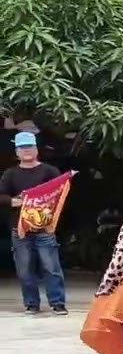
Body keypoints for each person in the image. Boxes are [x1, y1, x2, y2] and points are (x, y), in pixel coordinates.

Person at [0, 132, 67, 316]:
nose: (26, 151)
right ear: (17, 152)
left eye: (30, 146)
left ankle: (58, 303)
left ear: (36, 149)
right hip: (19, 229)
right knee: (24, 269)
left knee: (51, 267)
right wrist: (16, 201)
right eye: (22, 148)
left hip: (44, 228)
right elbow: (2, 196)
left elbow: (59, 194)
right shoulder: (10, 174)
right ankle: (31, 304)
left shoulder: (49, 171)